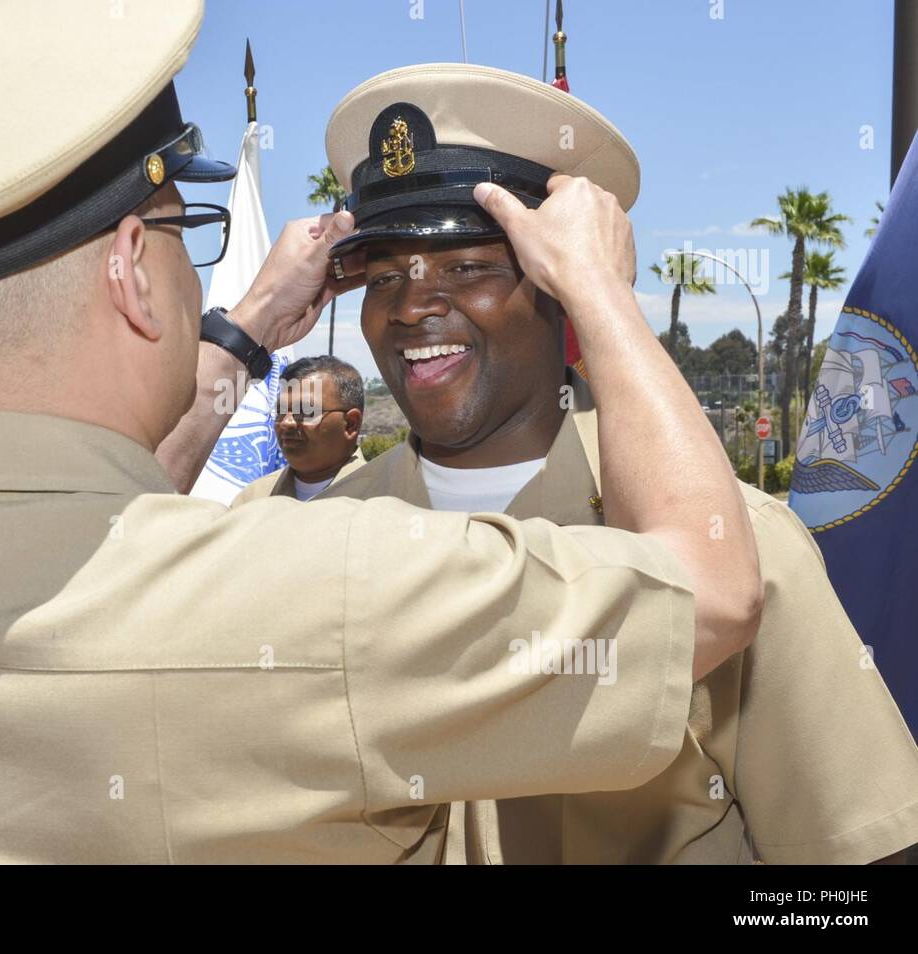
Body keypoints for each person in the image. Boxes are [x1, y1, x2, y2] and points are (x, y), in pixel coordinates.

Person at [0, 0, 761, 863]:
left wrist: (245, 329)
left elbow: (96, 521)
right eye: (184, 229)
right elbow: (707, 591)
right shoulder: (330, 580)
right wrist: (600, 293)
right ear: (132, 267)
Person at [318, 63, 918, 864]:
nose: (411, 306)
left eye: (466, 267)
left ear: (560, 282)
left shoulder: (739, 545)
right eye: (383, 275)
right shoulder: (314, 538)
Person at [232, 355, 365, 505]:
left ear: (350, 424)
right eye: (280, 412)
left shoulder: (381, 494)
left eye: (306, 412)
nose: (286, 423)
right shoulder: (253, 499)